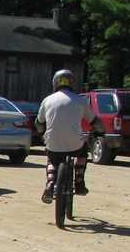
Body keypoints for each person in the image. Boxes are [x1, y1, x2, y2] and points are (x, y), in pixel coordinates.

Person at [35, 69, 104, 203]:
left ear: (55, 83)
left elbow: (39, 123)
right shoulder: (80, 100)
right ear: (72, 83)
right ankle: (79, 181)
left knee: (51, 159)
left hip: (53, 142)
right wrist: (100, 131)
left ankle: (50, 183)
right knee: (83, 151)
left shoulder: (47, 100)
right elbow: (95, 122)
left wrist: (40, 132)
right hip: (74, 143)